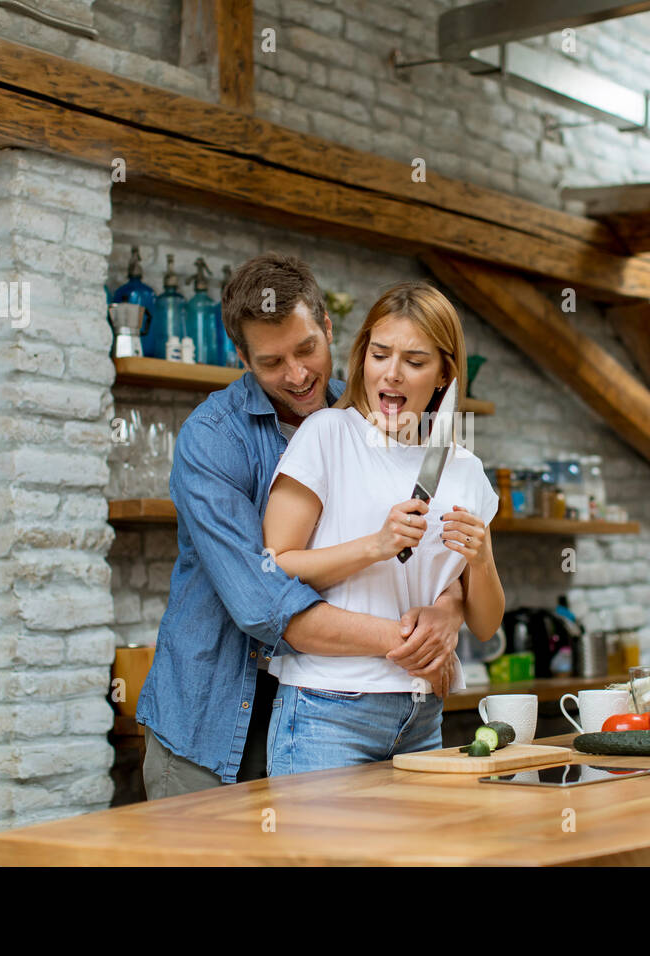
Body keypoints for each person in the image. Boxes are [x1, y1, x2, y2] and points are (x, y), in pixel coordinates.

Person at [136, 255, 467, 799]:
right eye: (270, 362)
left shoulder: (374, 416)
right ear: (240, 357)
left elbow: (434, 544)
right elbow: (264, 601)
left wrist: (448, 612)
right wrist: (411, 646)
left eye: (307, 349)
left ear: (328, 327)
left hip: (329, 716)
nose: (297, 374)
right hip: (210, 725)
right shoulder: (212, 441)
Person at [262, 281, 505, 775]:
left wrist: (478, 565)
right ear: (362, 356)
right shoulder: (328, 435)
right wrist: (376, 544)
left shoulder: (463, 469)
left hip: (422, 715)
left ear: (443, 374)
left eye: (415, 362)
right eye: (379, 354)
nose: (391, 374)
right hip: (327, 711)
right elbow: (276, 565)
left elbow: (485, 623)